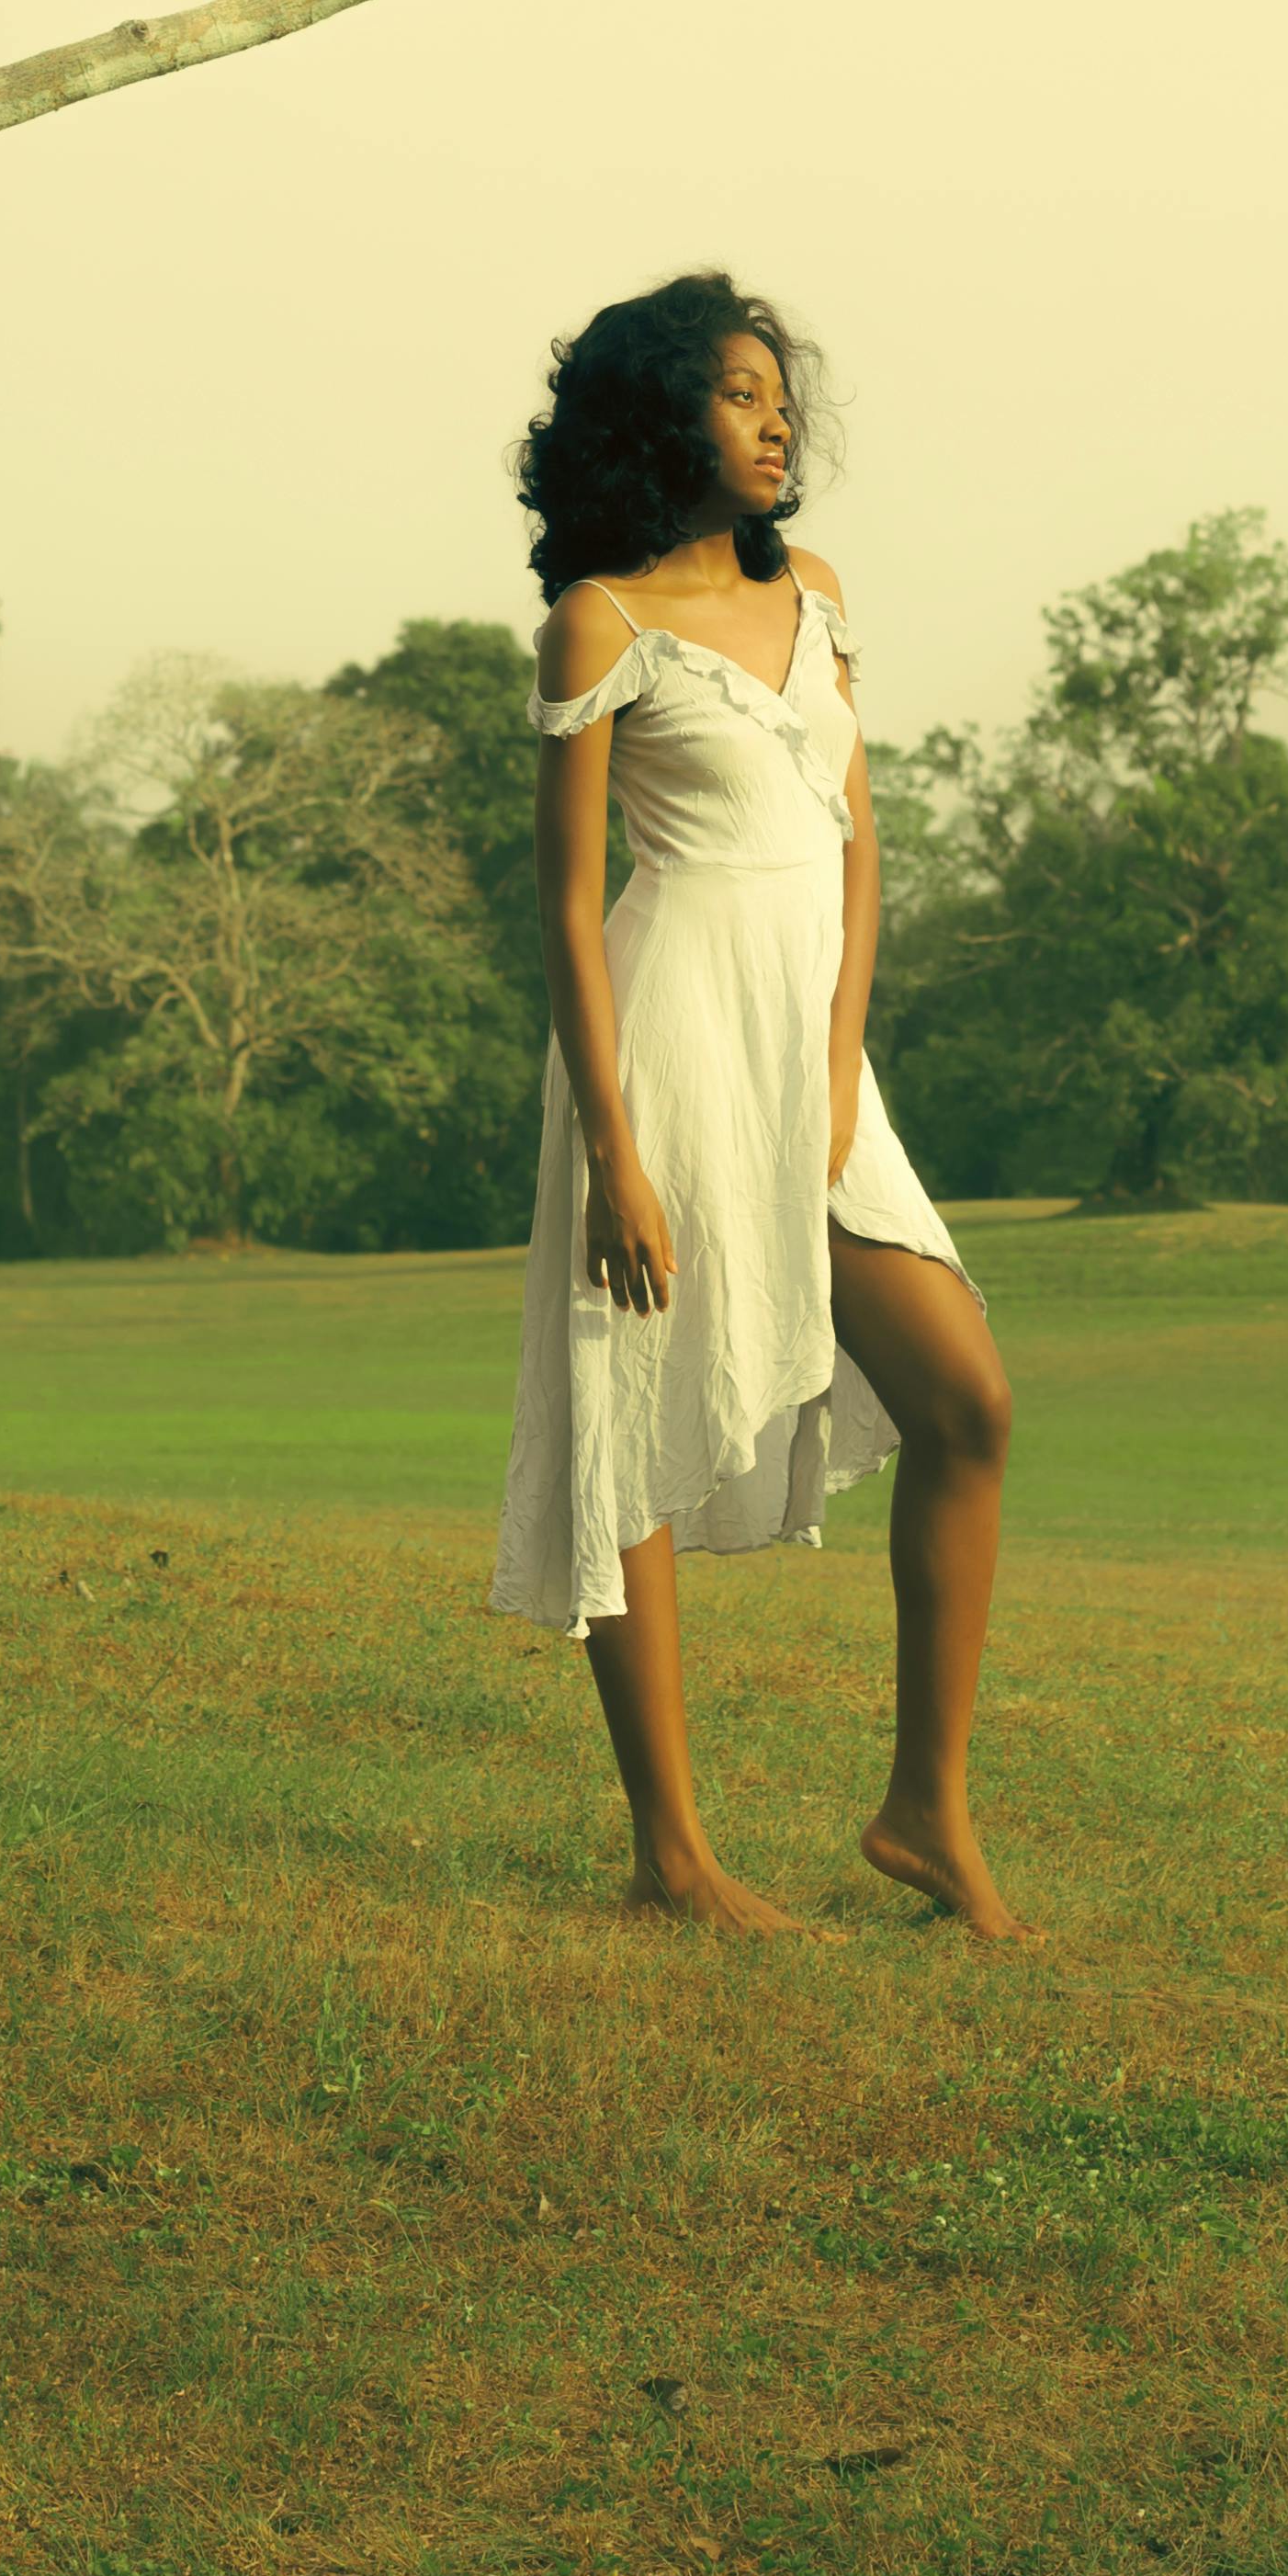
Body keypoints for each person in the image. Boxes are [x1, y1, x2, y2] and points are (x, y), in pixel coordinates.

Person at [489, 272, 1023, 1939]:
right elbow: (572, 905)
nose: (779, 416)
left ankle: (923, 1809)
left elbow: (861, 852)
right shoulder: (604, 621)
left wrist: (843, 1060)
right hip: (666, 1044)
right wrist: (613, 1155)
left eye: (784, 393)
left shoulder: (824, 599)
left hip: (814, 1058)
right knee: (628, 1425)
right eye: (740, 392)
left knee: (968, 1405)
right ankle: (674, 1859)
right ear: (666, 418)